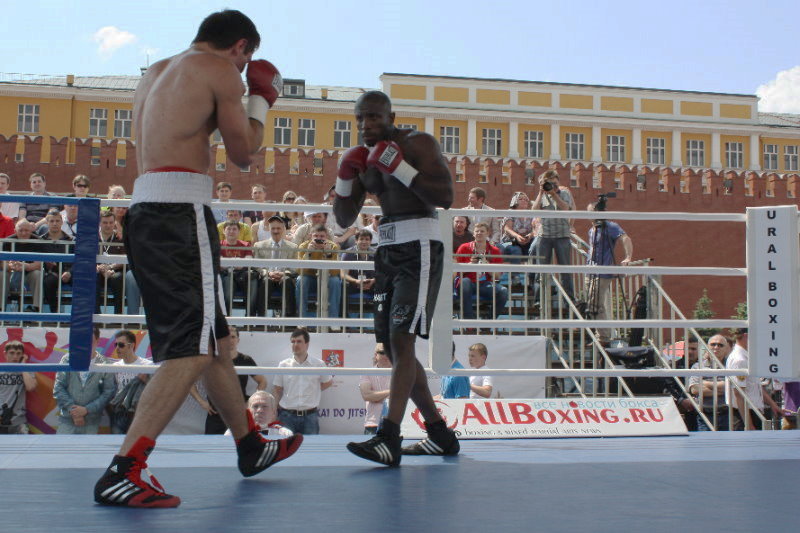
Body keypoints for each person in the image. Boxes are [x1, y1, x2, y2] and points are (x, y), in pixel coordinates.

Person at [93, 10, 302, 509]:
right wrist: (262, 99)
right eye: (246, 57)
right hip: (180, 213)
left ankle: (250, 446)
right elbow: (244, 152)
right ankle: (124, 469)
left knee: (212, 341)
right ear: (241, 47)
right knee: (190, 348)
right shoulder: (221, 72)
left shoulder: (158, 70)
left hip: (144, 209)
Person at [333, 90, 458, 466]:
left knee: (403, 341)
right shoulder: (362, 156)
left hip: (420, 244)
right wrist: (345, 176)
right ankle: (439, 436)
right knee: (391, 347)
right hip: (386, 250)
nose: (365, 126)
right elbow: (342, 218)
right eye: (360, 119)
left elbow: (446, 196)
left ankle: (387, 435)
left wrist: (399, 167)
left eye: (373, 118)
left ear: (391, 115)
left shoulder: (418, 143)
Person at [53, 326, 116, 434]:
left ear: (97, 341)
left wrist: (86, 410)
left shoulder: (105, 364)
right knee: (62, 451)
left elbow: (108, 393)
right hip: (67, 420)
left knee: (88, 451)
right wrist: (73, 411)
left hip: (91, 422)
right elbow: (58, 388)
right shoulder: (67, 359)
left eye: (90, 341)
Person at [585, 203, 633, 343]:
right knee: (593, 304)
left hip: (604, 271)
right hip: (590, 270)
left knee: (596, 304)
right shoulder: (591, 230)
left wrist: (628, 257)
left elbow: (625, 238)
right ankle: (601, 333)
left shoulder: (610, 226)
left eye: (593, 212)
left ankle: (604, 337)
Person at [205, 326, 267, 434]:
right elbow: (190, 382)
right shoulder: (213, 360)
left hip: (238, 415)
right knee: (212, 448)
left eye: (233, 337)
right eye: (227, 337)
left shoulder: (245, 360)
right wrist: (202, 402)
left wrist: (250, 402)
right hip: (216, 414)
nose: (230, 340)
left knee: (240, 448)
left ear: (238, 340)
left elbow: (262, 381)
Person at [272, 328, 333, 434]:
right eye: (293, 341)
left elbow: (328, 382)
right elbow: (277, 390)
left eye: (299, 341)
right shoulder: (283, 365)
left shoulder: (318, 364)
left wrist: (314, 391)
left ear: (307, 344)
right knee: (286, 449)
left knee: (310, 449)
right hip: (287, 416)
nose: (295, 344)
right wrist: (273, 413)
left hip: (310, 417)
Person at [529, 169, 575, 301]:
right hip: (545, 236)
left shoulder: (564, 193)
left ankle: (569, 301)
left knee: (565, 270)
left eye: (555, 183)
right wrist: (540, 192)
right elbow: (534, 211)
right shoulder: (542, 194)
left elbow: (566, 208)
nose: (552, 186)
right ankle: (540, 301)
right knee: (542, 270)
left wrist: (554, 194)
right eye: (549, 183)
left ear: (558, 182)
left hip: (562, 236)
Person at [454, 221, 509, 320]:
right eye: (477, 231)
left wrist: (486, 265)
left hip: (485, 283)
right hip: (467, 283)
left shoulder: (494, 251)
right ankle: (469, 322)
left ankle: (488, 322)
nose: (479, 233)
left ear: (488, 233)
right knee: (465, 282)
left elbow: (497, 276)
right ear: (473, 234)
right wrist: (471, 265)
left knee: (504, 291)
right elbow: (456, 272)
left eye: (482, 231)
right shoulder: (464, 248)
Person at [295, 224, 343, 322]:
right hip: (310, 279)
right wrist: (308, 253)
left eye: (322, 237)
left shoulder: (333, 246)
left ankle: (334, 320)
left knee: (335, 281)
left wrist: (328, 254)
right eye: (316, 236)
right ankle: (302, 319)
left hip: (327, 279)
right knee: (301, 280)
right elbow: (299, 270)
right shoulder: (303, 246)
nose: (318, 239)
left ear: (327, 237)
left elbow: (335, 271)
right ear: (310, 236)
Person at [252, 214, 298, 317]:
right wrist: (268, 273)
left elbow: (295, 267)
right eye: (273, 228)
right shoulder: (259, 245)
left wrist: (282, 273)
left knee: (287, 281)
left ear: (283, 229)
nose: (276, 231)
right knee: (266, 281)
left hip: (285, 276)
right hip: (268, 276)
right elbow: (256, 265)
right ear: (269, 229)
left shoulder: (293, 247)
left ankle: (290, 320)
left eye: (278, 228)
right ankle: (261, 319)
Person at [110, 330, 153, 434]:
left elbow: (157, 391)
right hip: (120, 414)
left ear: (131, 346)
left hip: (140, 414)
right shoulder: (114, 367)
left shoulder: (147, 365)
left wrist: (146, 380)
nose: (117, 348)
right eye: (116, 344)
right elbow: (111, 392)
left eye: (121, 345)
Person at [689, 334, 732, 431]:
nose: (716, 347)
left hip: (728, 415)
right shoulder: (698, 366)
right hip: (705, 416)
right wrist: (724, 389)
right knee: (705, 445)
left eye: (720, 345)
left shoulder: (731, 366)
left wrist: (705, 383)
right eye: (713, 344)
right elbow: (695, 389)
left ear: (726, 349)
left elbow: (732, 387)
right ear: (708, 347)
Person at [0, 340, 37, 434]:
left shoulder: (26, 370)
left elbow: (31, 387)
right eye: (12, 353)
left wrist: (23, 366)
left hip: (18, 421)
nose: (15, 356)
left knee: (24, 448)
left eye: (18, 353)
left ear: (22, 355)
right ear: (5, 354)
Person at [224, 391, 293, 438]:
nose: (259, 410)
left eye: (264, 406)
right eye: (255, 406)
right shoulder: (233, 433)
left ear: (274, 412)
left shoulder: (284, 434)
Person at [360, 343, 391, 434]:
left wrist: (376, 396)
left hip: (397, 423)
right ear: (375, 355)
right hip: (373, 424)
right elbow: (367, 395)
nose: (386, 355)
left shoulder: (401, 372)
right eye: (382, 352)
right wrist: (392, 391)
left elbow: (403, 396)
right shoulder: (367, 372)